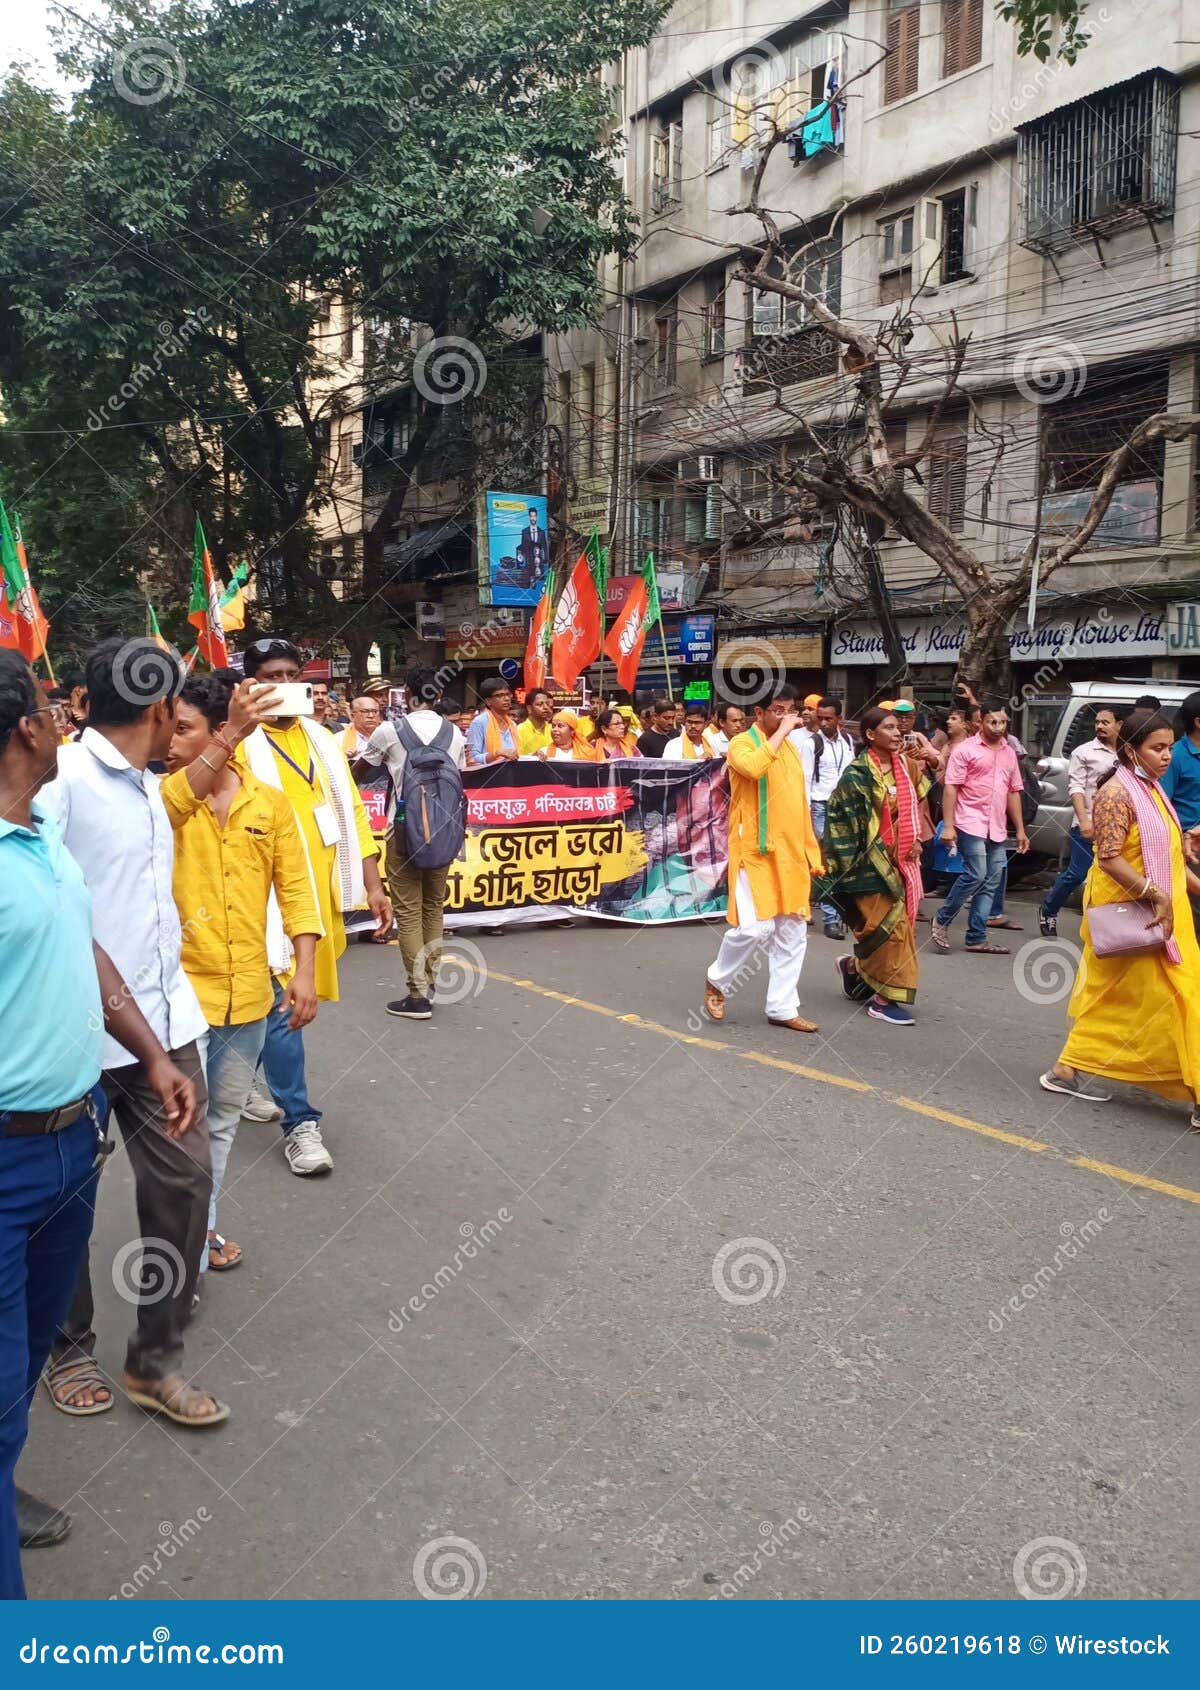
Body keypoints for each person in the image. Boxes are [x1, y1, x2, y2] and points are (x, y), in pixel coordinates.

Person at [0, 650, 201, 1597]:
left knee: (21, 1364)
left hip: (69, 1142)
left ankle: (6, 1478)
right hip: (6, 1158)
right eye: (46, 709)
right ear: (22, 735)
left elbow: (84, 948)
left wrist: (153, 1053)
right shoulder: (54, 803)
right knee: (3, 1382)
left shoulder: (36, 841)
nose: (62, 718)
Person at [40, 638, 226, 1429]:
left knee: (184, 1185)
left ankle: (154, 1361)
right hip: (79, 1033)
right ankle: (67, 1345)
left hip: (166, 1027)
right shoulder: (62, 784)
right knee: (64, 1205)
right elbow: (50, 914)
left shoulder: (152, 784)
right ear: (157, 711)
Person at [163, 675, 321, 1271]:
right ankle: (177, 1254)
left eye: (184, 729)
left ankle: (198, 1237)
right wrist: (229, 734)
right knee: (182, 1129)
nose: (172, 742)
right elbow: (172, 804)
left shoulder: (269, 803)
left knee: (223, 1123)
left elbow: (299, 890)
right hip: (178, 999)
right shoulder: (164, 797)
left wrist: (302, 971)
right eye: (172, 729)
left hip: (251, 995)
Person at [238, 638, 391, 1175]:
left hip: (317, 894)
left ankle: (243, 1080)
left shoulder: (323, 739)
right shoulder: (236, 743)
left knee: (268, 1008)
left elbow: (351, 811)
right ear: (250, 685)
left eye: (290, 674)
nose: (283, 686)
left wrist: (373, 884)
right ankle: (300, 1122)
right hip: (260, 902)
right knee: (284, 1012)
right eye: (270, 677)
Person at [1040, 710, 1200, 1122]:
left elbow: (1164, 857)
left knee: (1137, 1000)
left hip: (1166, 912)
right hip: (1133, 912)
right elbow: (1110, 860)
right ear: (1131, 750)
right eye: (1157, 748)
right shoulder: (1117, 793)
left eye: (1169, 747)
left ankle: (1068, 1067)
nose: (1167, 756)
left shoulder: (1152, 791)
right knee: (1174, 998)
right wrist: (1155, 894)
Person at [702, 684, 823, 1033]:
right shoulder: (741, 743)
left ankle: (782, 1007)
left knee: (793, 930)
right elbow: (753, 769)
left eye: (790, 709)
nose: (786, 716)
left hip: (789, 853)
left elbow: (799, 804)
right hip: (754, 851)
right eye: (778, 710)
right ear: (760, 713)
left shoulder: (790, 750)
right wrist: (784, 730)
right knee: (756, 927)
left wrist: (810, 852)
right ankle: (717, 980)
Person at [353, 665, 467, 1021]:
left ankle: (417, 995)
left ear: (408, 693)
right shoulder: (455, 734)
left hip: (402, 831)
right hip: (445, 833)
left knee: (408, 911)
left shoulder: (390, 730)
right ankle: (429, 983)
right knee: (434, 907)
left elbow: (360, 773)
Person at [817, 707, 929, 1027]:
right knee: (889, 930)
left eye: (899, 728)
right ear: (870, 735)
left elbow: (919, 801)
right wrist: (843, 867)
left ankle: (854, 968)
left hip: (902, 860)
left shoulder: (906, 766)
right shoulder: (857, 775)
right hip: (868, 865)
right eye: (890, 728)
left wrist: (917, 836)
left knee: (895, 928)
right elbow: (841, 823)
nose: (897, 733)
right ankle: (883, 1000)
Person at [931, 698, 1030, 955]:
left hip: (997, 826)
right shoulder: (965, 750)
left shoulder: (1009, 752)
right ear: (980, 722)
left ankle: (976, 937)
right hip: (969, 821)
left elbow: (1013, 792)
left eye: (1003, 722)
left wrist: (1020, 830)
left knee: (992, 880)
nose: (998, 727)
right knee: (977, 873)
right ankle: (942, 918)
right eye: (992, 721)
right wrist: (949, 827)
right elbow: (951, 787)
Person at [1038, 704, 1120, 938]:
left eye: (1106, 722)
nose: (1100, 726)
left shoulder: (1127, 752)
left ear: (1119, 725)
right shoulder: (1083, 752)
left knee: (1110, 875)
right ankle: (1049, 908)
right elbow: (1076, 788)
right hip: (1088, 823)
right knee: (1078, 873)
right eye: (1097, 722)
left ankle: (1104, 925)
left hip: (1116, 825)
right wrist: (1084, 820)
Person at [799, 695, 855, 941]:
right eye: (820, 718)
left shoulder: (848, 741)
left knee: (840, 860)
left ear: (839, 719)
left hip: (843, 807)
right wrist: (806, 813)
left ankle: (816, 905)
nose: (822, 723)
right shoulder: (811, 744)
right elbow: (804, 780)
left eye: (828, 719)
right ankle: (831, 918)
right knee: (827, 861)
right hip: (820, 807)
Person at [466, 677, 519, 766]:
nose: (506, 698)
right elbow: (472, 758)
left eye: (508, 694)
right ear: (488, 701)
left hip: (511, 775)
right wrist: (496, 753)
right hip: (488, 776)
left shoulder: (513, 724)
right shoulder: (479, 722)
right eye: (500, 695)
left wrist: (534, 755)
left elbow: (518, 754)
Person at [517, 686, 555, 756]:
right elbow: (515, 757)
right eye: (540, 704)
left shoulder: (553, 729)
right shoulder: (519, 730)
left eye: (547, 704)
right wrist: (532, 756)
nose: (545, 707)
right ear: (529, 709)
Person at [516, 507, 548, 585]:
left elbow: (545, 547)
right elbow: (522, 547)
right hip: (529, 564)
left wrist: (545, 560)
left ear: (536, 517)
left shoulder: (541, 532)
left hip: (539, 564)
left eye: (534, 516)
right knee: (530, 585)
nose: (533, 518)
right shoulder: (524, 531)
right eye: (531, 516)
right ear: (529, 517)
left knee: (540, 585)